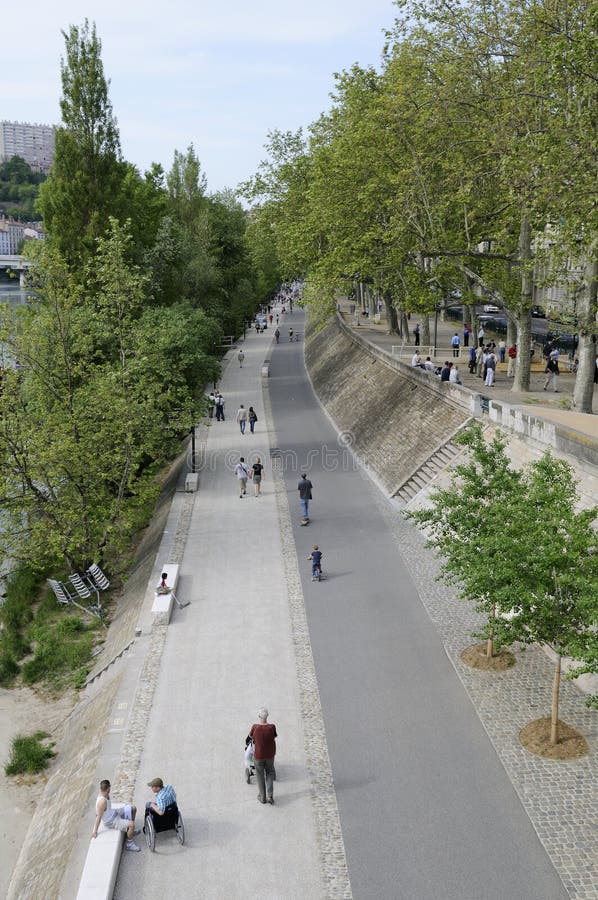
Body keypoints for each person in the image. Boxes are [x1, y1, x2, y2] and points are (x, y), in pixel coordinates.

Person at [92, 779, 140, 851]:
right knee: (132, 824)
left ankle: (130, 831)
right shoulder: (102, 801)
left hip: (114, 812)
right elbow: (98, 816)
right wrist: (95, 831)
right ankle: (129, 844)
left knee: (133, 808)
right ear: (108, 788)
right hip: (111, 821)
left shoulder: (105, 794)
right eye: (110, 787)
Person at [248, 708, 277, 804]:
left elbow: (250, 737)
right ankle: (270, 796)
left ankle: (262, 797)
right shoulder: (272, 727)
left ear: (259, 716)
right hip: (270, 755)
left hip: (259, 756)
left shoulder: (255, 727)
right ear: (267, 716)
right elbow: (274, 736)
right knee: (269, 773)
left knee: (260, 776)